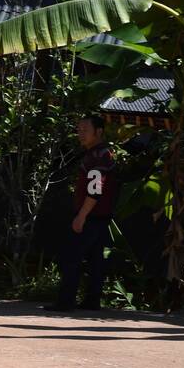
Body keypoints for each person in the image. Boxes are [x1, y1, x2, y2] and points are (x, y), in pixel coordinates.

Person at [47, 113, 118, 312]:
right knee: (95, 260)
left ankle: (66, 301)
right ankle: (91, 300)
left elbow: (96, 188)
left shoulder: (99, 155)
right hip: (100, 216)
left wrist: (81, 215)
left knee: (71, 257)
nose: (81, 134)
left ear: (99, 131)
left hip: (92, 216)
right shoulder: (99, 154)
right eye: (79, 130)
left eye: (85, 130)